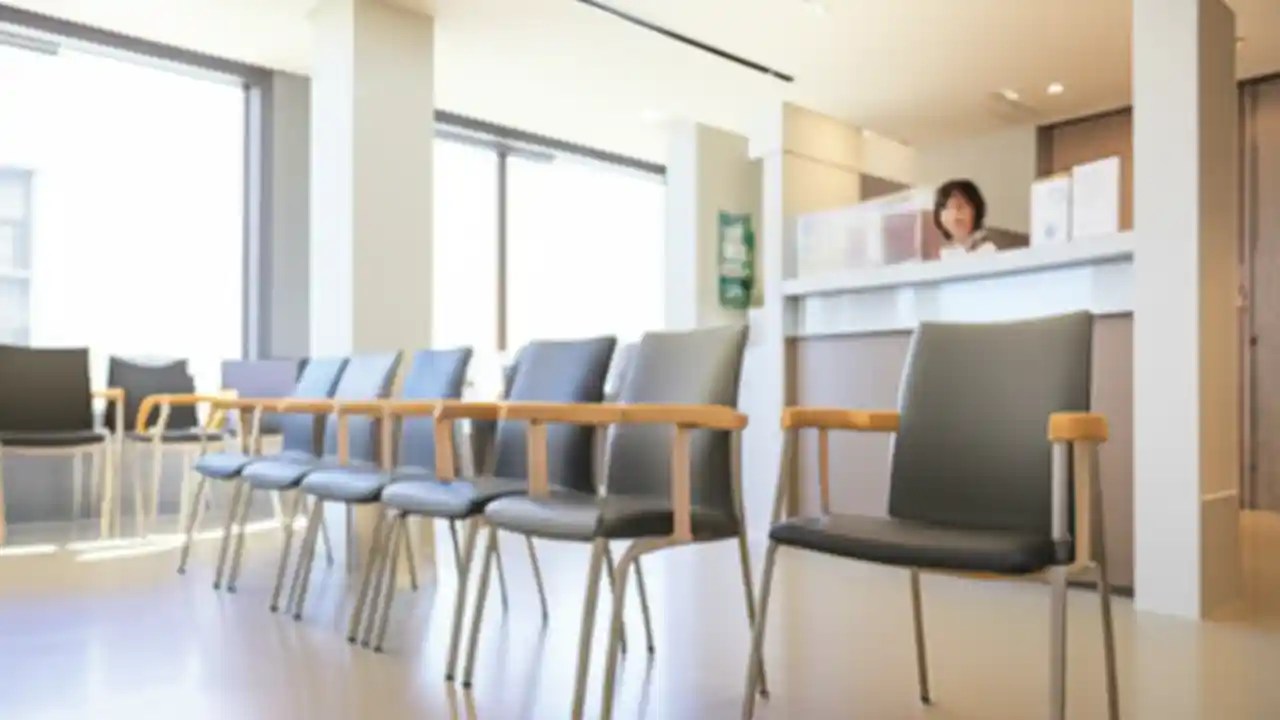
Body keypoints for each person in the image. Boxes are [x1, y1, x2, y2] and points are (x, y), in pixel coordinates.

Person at [933, 179, 996, 258]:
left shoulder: (987, 250)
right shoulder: (939, 253)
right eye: (947, 208)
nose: (954, 214)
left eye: (960, 206)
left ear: (976, 210)